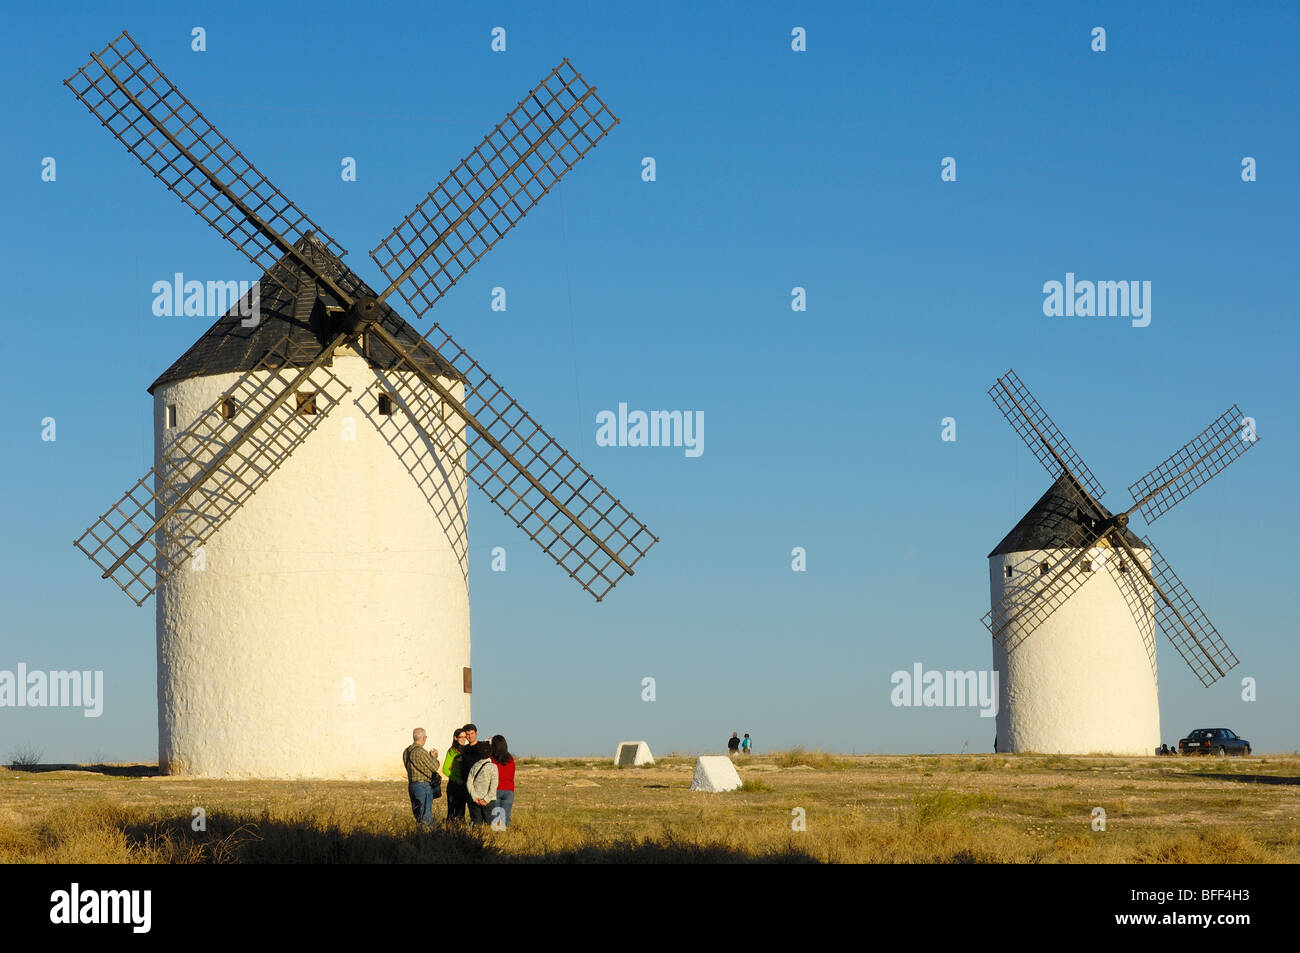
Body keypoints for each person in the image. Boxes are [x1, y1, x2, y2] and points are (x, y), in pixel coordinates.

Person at [402, 727, 441, 827]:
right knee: (426, 816)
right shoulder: (420, 751)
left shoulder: (406, 751)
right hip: (423, 785)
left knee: (418, 815)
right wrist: (434, 757)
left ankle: (418, 837)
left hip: (412, 785)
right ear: (423, 738)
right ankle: (426, 838)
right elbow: (434, 767)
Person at [465, 741, 498, 826]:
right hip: (488, 801)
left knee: (476, 823)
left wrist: (474, 797)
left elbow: (469, 783)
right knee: (489, 824)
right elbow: (494, 785)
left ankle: (472, 838)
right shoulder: (493, 767)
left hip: (475, 800)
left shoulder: (475, 765)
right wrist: (486, 799)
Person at [443, 727, 469, 821]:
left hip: (464, 785)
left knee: (461, 811)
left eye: (464, 737)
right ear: (455, 738)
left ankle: (460, 832)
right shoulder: (452, 751)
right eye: (460, 737)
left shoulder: (466, 750)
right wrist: (456, 779)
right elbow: (445, 769)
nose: (463, 739)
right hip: (454, 785)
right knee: (452, 811)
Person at [490, 734, 515, 828]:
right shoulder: (510, 759)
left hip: (496, 789)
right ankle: (506, 834)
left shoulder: (491, 759)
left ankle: (497, 834)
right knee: (506, 816)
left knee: (496, 816)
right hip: (509, 790)